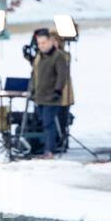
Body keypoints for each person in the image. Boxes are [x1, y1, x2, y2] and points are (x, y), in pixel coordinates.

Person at [32, 28, 72, 158]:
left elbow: (62, 75)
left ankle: (50, 150)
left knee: (48, 123)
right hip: (40, 96)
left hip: (52, 97)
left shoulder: (58, 56)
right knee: (43, 122)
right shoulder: (39, 56)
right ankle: (47, 148)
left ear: (50, 41)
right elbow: (35, 74)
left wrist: (58, 90)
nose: (41, 46)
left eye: (43, 43)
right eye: (39, 43)